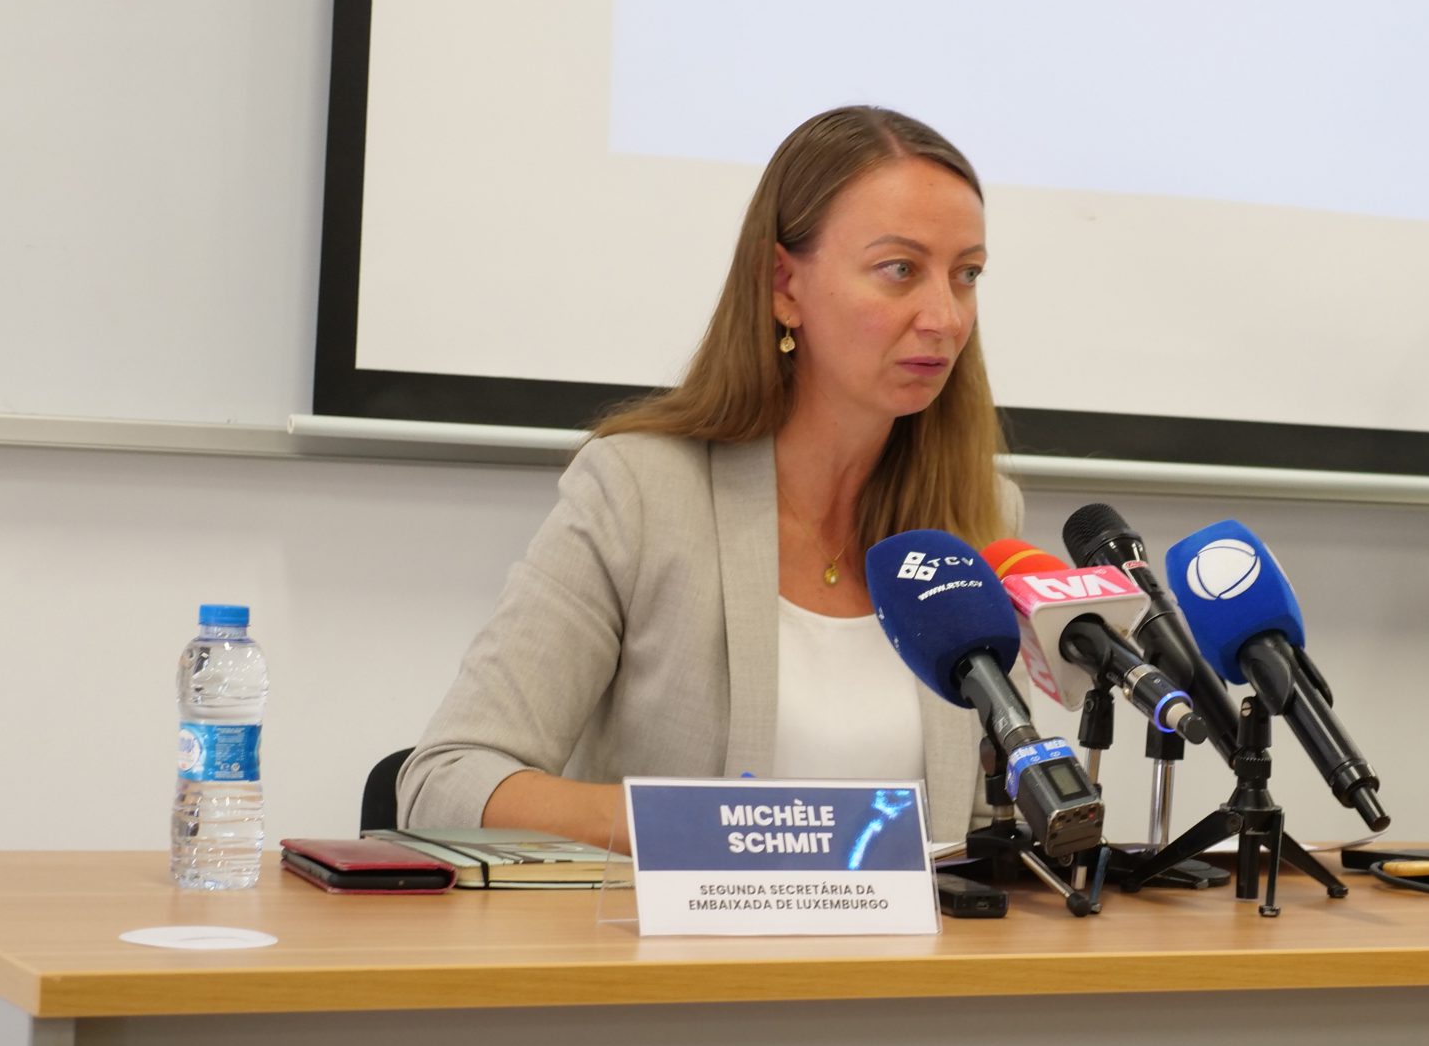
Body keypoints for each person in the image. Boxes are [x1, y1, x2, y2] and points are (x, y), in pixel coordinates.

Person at [396, 106, 1016, 848]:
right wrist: (694, 828)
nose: (945, 317)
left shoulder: (981, 516)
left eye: (966, 275)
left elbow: (988, 825)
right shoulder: (643, 493)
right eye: (900, 271)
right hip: (686, 960)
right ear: (784, 283)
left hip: (909, 962)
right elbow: (445, 781)